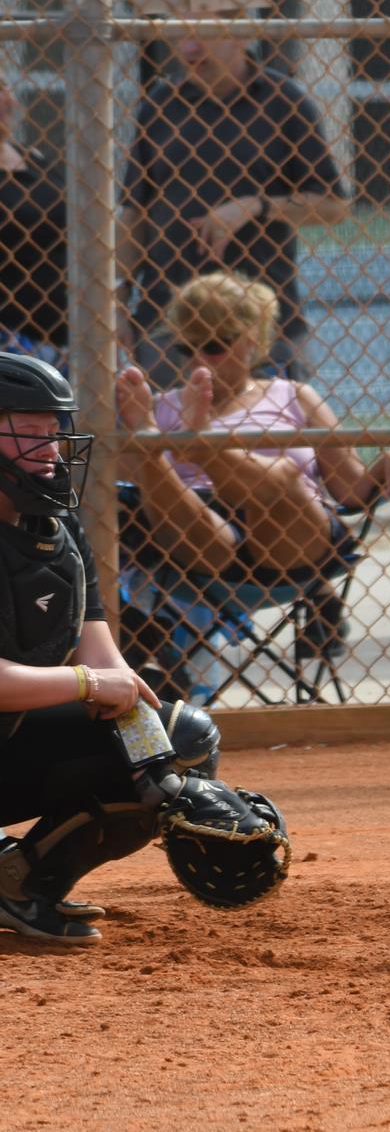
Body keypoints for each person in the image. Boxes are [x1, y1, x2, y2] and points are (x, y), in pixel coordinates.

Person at [0, 353, 187, 943]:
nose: (50, 450)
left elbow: (102, 656)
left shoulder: (56, 527)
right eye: (29, 434)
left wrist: (170, 778)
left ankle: (16, 884)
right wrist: (86, 685)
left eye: (53, 433)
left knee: (180, 739)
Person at [114, 271, 390, 586]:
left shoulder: (293, 396)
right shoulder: (158, 407)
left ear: (251, 338)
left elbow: (353, 492)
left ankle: (206, 451)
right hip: (204, 543)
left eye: (214, 346)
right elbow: (128, 492)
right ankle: (163, 449)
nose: (198, 359)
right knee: (159, 478)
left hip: (290, 537)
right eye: (186, 348)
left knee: (281, 479)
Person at [118, 13, 352, 382]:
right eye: (181, 36)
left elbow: (333, 206)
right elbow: (135, 213)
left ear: (242, 35)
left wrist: (255, 206)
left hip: (260, 323)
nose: (189, 48)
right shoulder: (161, 104)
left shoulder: (283, 101)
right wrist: (118, 298)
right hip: (169, 323)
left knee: (273, 434)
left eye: (202, 35)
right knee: (168, 436)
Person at [0, 75, 69, 361]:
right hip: (12, 339)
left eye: (6, 89)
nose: (10, 102)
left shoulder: (33, 158)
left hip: (70, 335)